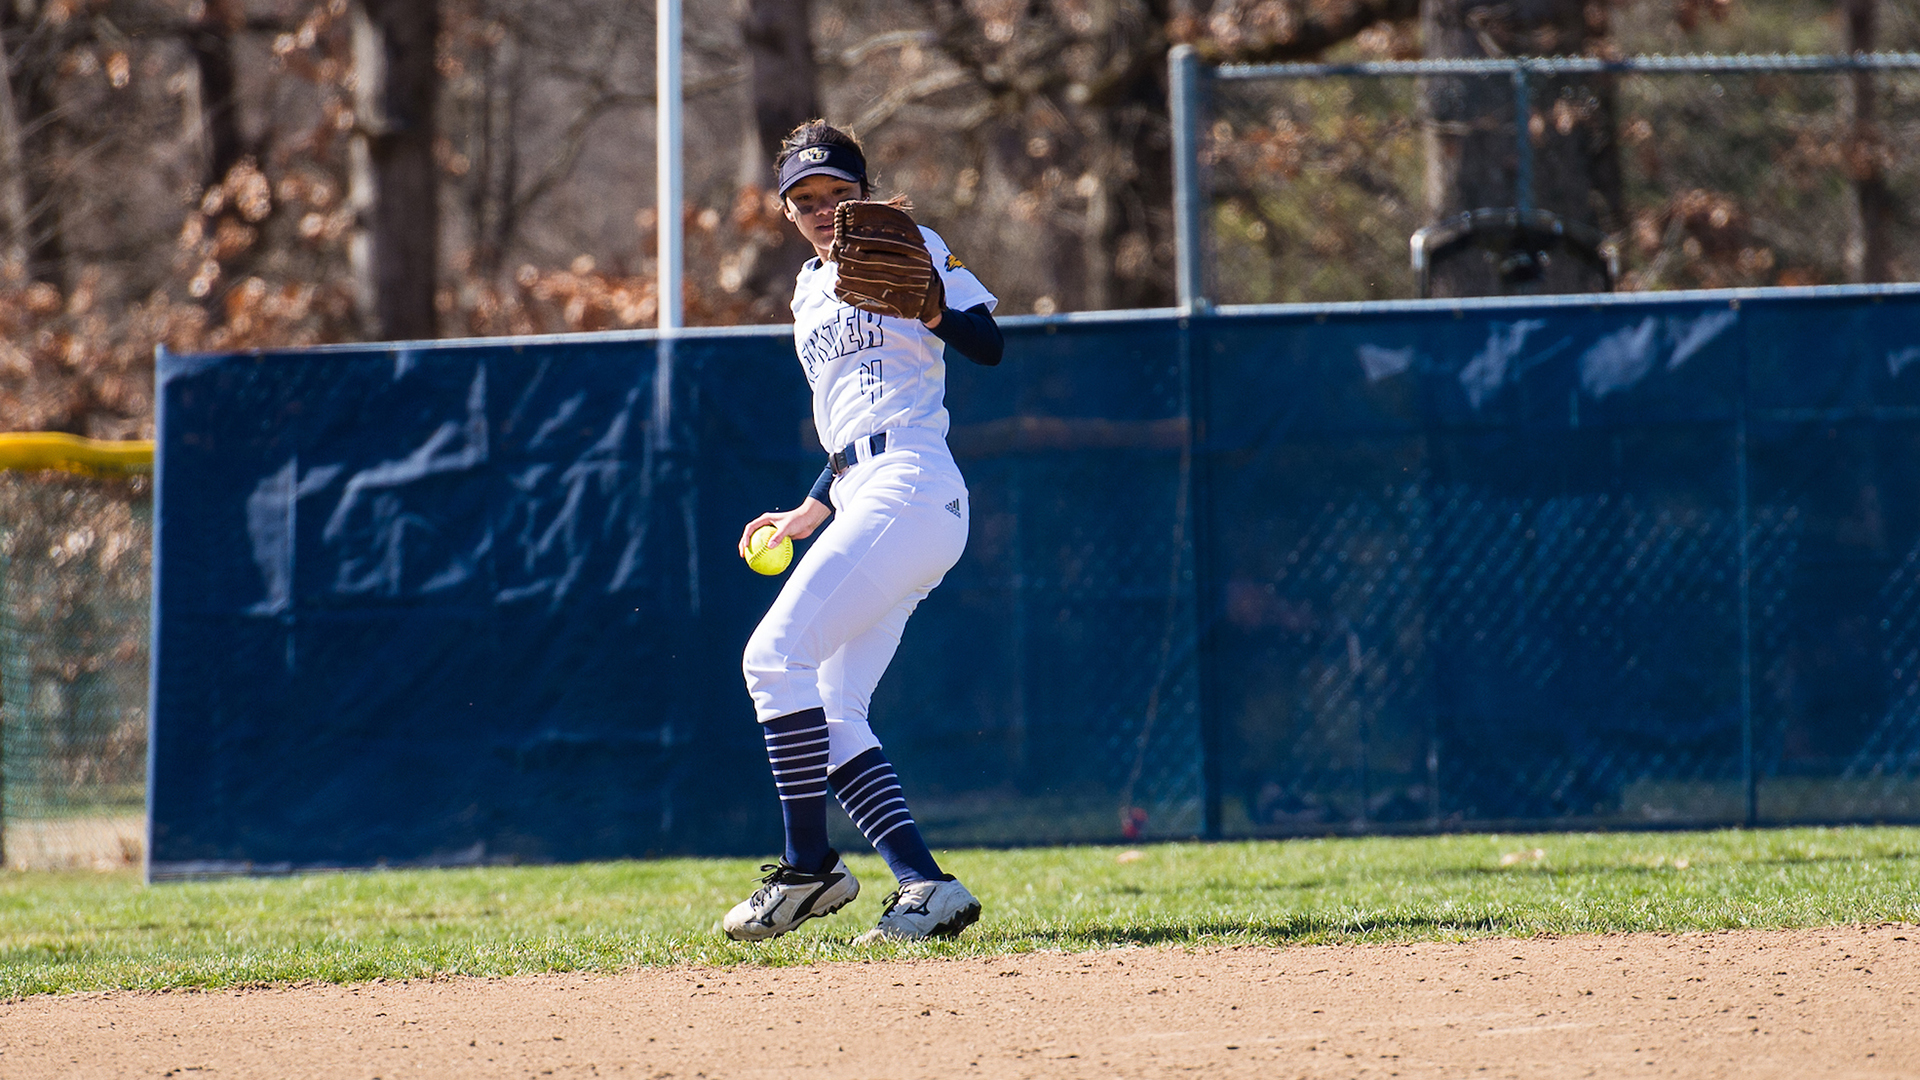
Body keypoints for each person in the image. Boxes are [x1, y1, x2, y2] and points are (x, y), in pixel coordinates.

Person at [724, 120, 1004, 944]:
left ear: (864, 192)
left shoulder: (909, 240)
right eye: (803, 200)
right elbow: (856, 420)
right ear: (784, 212)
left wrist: (933, 306)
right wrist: (813, 506)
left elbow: (988, 345)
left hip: (913, 483)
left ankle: (809, 870)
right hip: (863, 487)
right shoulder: (808, 291)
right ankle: (925, 886)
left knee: (772, 660)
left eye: (836, 193)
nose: (820, 210)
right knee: (833, 708)